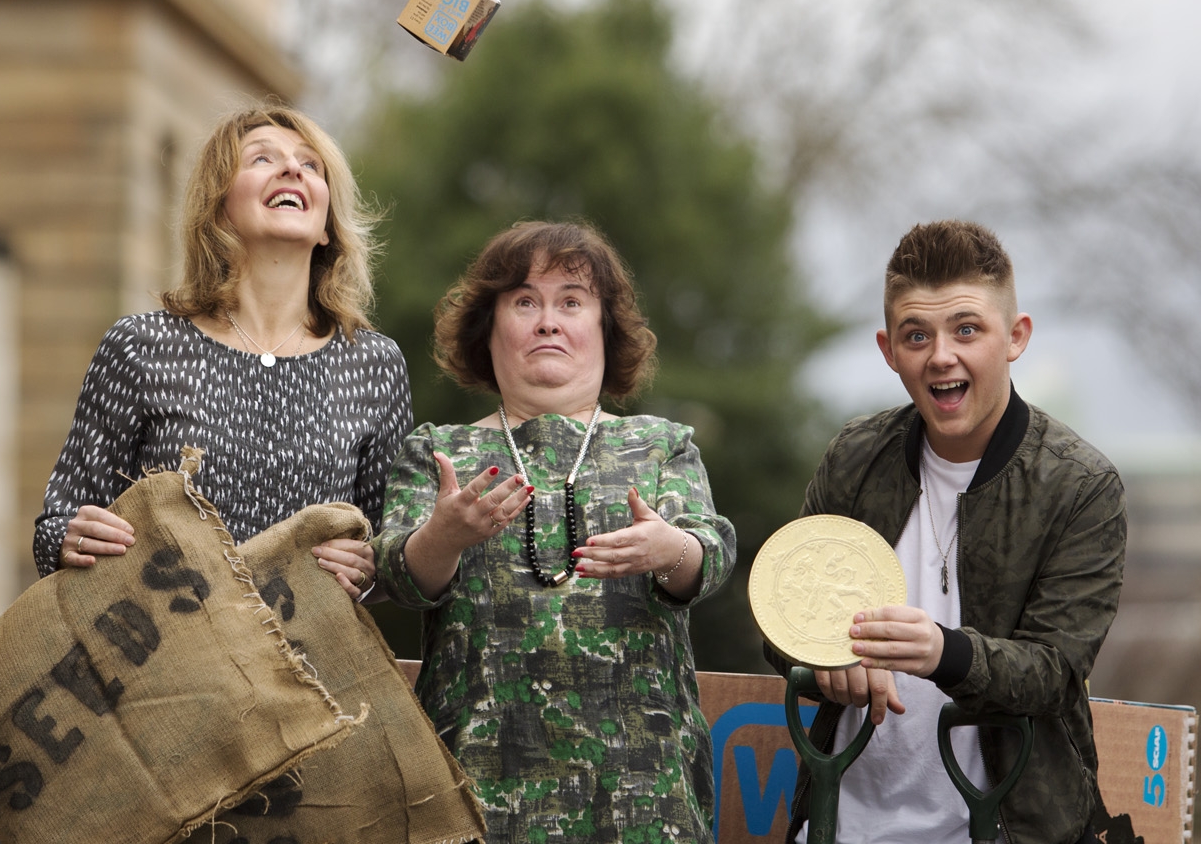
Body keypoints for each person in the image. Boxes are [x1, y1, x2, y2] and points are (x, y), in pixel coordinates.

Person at [765, 220, 1126, 844]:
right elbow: (781, 619)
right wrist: (824, 658)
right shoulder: (853, 459)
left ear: (1015, 337)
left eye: (966, 329)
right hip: (838, 822)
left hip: (1005, 827)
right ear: (888, 350)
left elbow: (1055, 671)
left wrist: (945, 653)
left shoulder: (1080, 486)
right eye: (916, 335)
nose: (940, 356)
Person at [374, 221, 737, 842]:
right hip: (476, 789)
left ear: (604, 328)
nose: (548, 322)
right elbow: (398, 577)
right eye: (524, 302)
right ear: (488, 329)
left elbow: (711, 557)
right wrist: (444, 536)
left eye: (571, 302)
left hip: (644, 793)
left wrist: (669, 549)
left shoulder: (661, 445)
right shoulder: (439, 452)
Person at [33, 102, 411, 602]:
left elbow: (395, 555)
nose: (292, 168)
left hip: (309, 650)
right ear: (218, 206)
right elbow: (56, 525)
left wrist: (374, 570)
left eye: (311, 164)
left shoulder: (374, 364)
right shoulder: (141, 347)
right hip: (166, 645)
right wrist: (68, 538)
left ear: (326, 225)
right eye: (262, 158)